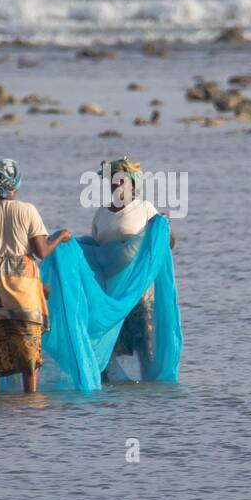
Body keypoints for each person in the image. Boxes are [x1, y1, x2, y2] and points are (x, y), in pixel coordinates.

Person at [0, 158, 70, 394]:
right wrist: (61, 237)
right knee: (29, 350)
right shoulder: (28, 210)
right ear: (16, 181)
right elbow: (41, 251)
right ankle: (30, 401)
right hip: (23, 288)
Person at [91, 156, 175, 379]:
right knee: (107, 352)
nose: (117, 185)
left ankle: (146, 402)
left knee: (145, 348)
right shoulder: (100, 215)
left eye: (123, 180)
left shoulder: (145, 209)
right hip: (111, 298)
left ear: (133, 184)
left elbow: (167, 244)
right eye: (113, 180)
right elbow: (96, 255)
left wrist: (164, 227)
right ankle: (113, 401)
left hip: (140, 294)